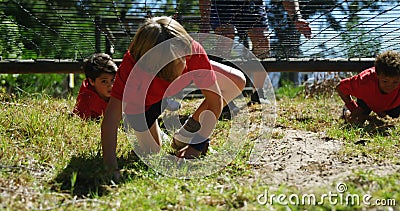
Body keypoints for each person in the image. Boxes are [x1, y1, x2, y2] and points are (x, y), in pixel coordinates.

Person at [101, 16, 246, 176]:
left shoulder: (191, 51)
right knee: (152, 152)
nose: (182, 65)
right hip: (144, 107)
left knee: (236, 81)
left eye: (180, 62)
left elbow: (214, 101)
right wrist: (110, 166)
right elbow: (111, 119)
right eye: (167, 70)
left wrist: (196, 146)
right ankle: (155, 131)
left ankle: (184, 136)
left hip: (172, 89)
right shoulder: (131, 69)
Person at [199, 0, 312, 104]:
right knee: (226, 37)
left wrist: (297, 17)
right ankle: (222, 94)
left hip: (252, 4)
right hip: (223, 4)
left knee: (262, 40)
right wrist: (205, 20)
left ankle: (258, 92)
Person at [336, 50, 400, 125]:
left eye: (395, 82)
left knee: (391, 123)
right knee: (356, 120)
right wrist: (353, 108)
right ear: (377, 75)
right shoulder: (365, 81)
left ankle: (381, 113)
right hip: (367, 101)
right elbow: (340, 88)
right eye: (385, 81)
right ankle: (346, 111)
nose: (390, 86)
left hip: (393, 104)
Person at [73, 53, 117, 120]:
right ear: (92, 81)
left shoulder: (121, 91)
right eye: (104, 81)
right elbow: (80, 118)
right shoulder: (86, 99)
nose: (111, 85)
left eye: (113, 80)